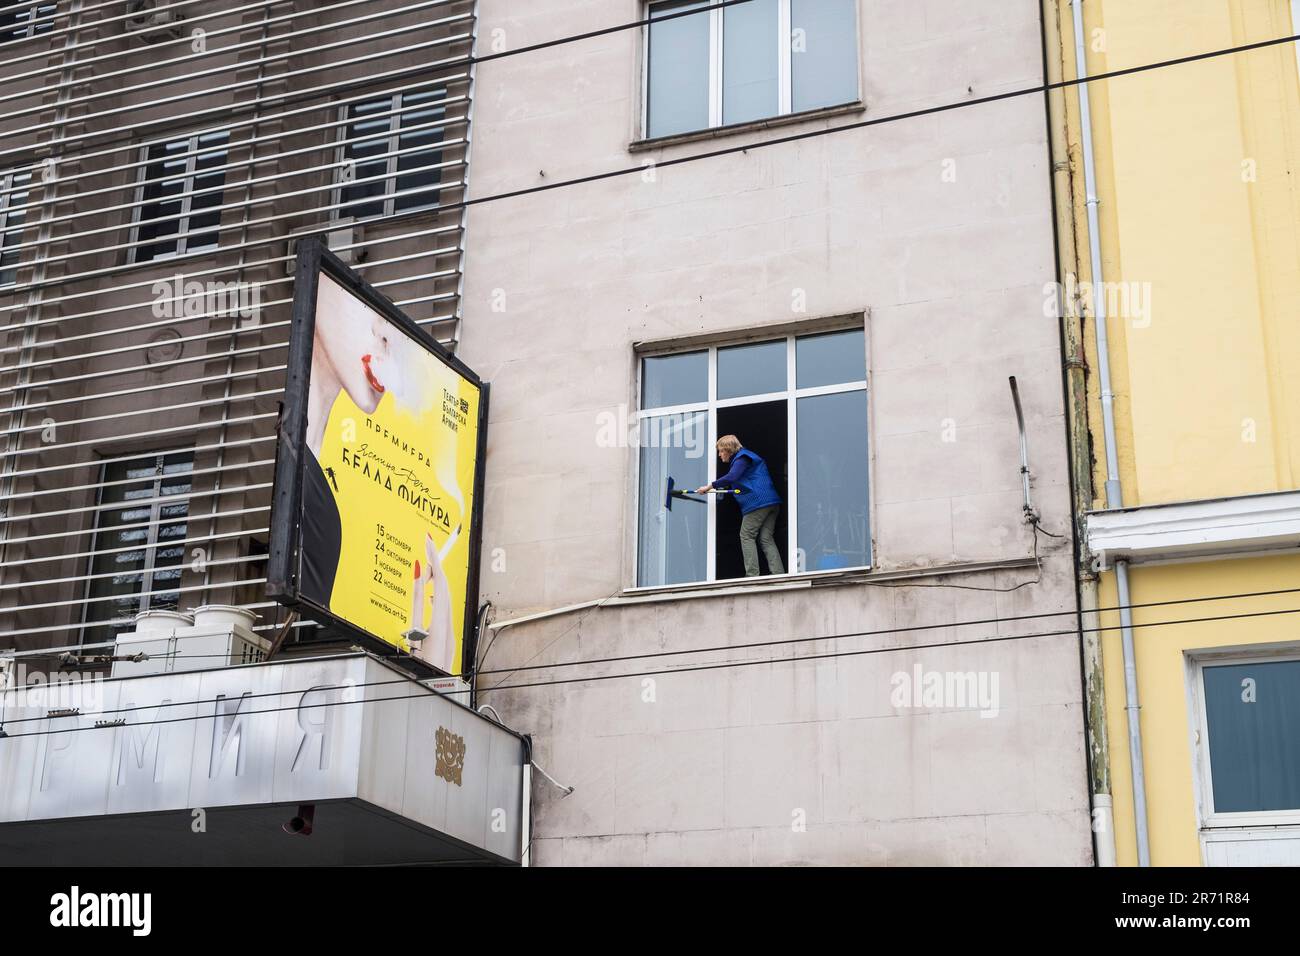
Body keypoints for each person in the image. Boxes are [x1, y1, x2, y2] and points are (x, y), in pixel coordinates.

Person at [697, 435, 785, 577]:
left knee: (746, 535)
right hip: (771, 503)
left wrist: (709, 486)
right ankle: (778, 573)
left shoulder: (742, 457)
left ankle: (752, 575)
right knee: (766, 538)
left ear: (728, 449)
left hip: (759, 503)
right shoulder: (745, 457)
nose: (719, 455)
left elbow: (732, 477)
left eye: (720, 451)